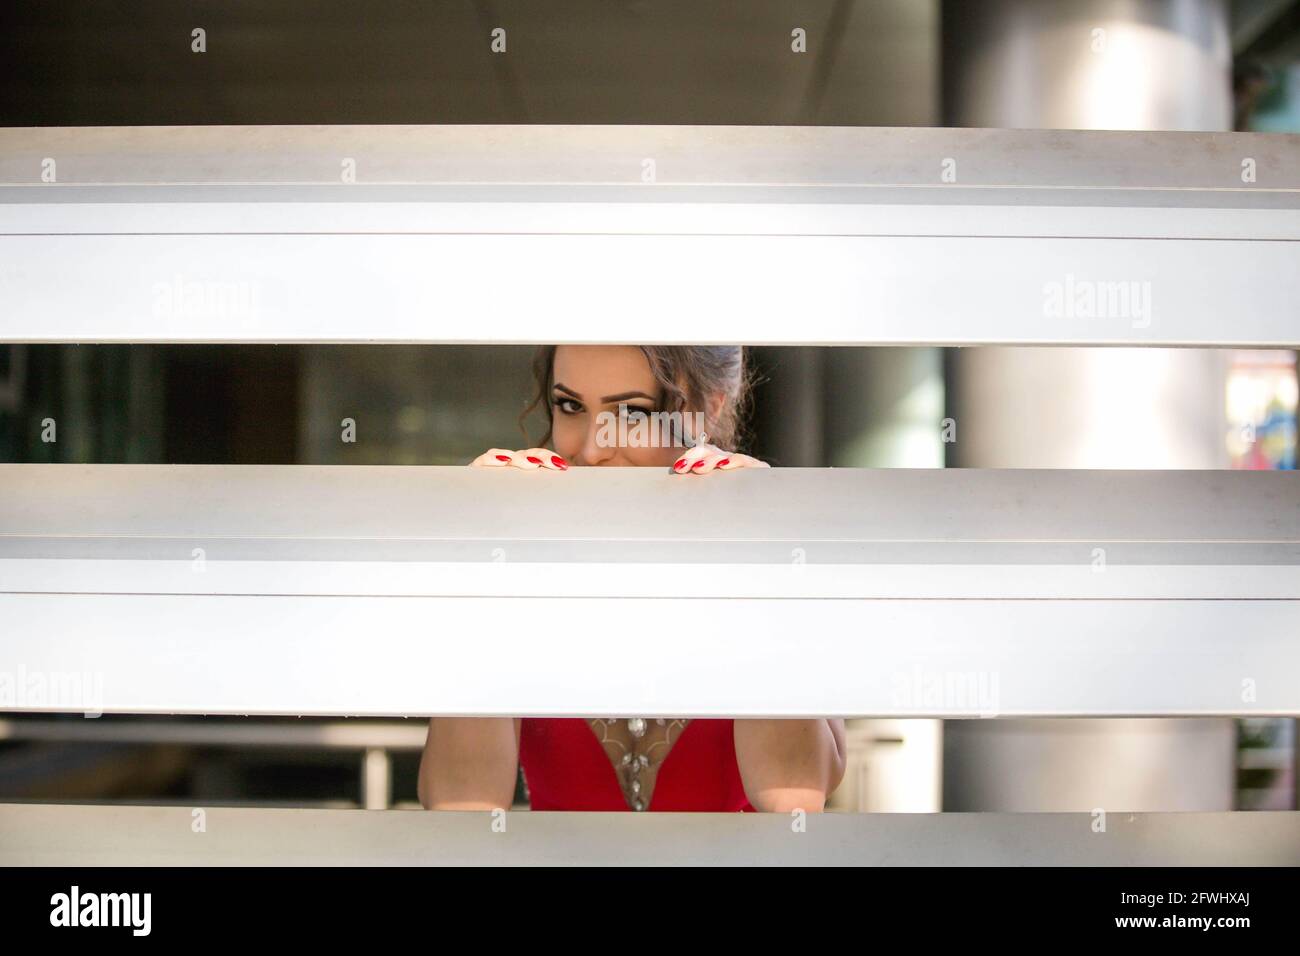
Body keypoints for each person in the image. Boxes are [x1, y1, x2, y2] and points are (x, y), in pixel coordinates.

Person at [418, 345, 846, 812]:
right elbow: (462, 810)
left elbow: (793, 803)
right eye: (570, 405)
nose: (592, 449)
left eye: (632, 413)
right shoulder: (526, 576)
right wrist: (487, 562)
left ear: (709, 410)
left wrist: (753, 559)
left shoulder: (780, 570)